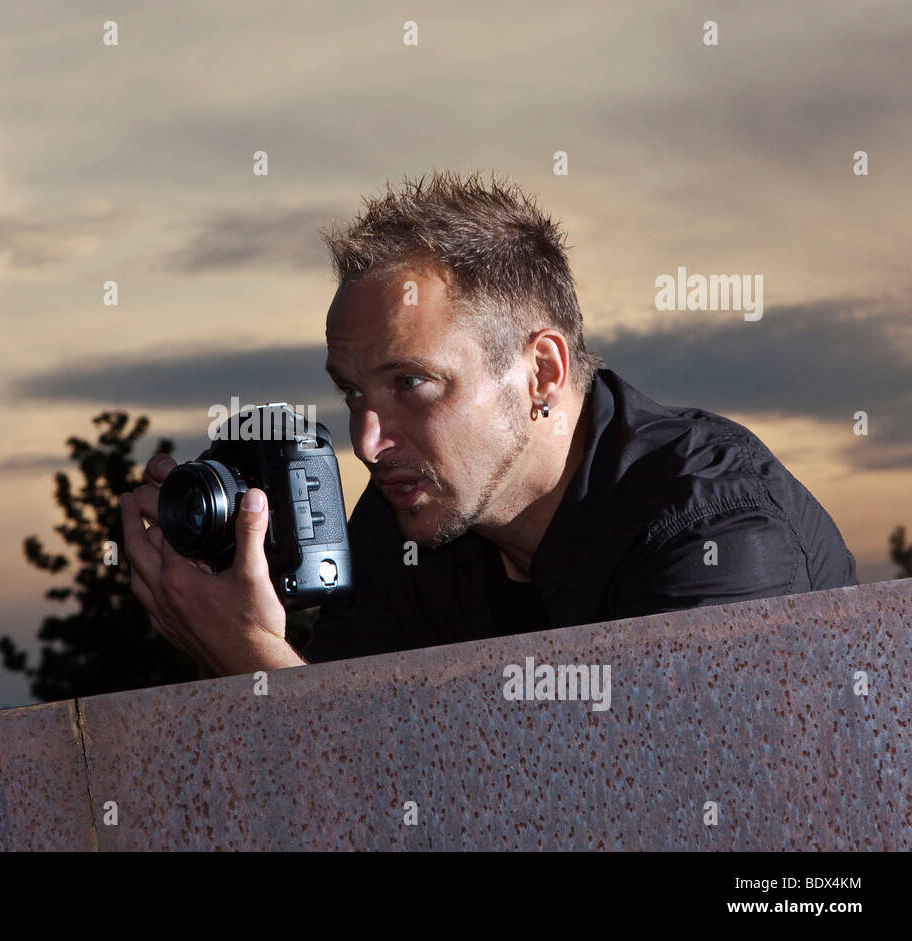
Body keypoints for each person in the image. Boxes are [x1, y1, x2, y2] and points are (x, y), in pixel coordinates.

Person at [118, 170, 859, 676]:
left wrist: (257, 669)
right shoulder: (409, 520)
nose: (369, 443)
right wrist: (235, 616)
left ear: (541, 371)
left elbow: (610, 817)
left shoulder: (718, 542)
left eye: (411, 384)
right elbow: (382, 783)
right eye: (352, 395)